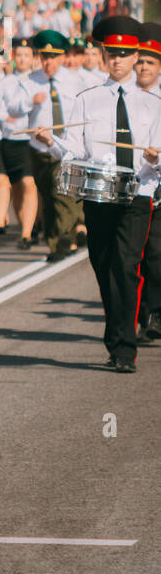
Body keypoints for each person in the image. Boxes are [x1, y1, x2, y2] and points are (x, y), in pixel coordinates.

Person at [37, 15, 160, 373]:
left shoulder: (153, 104)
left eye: (125, 54)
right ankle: (117, 332)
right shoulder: (88, 99)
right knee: (105, 267)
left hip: (138, 192)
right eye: (112, 54)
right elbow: (75, 150)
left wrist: (154, 157)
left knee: (126, 266)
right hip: (97, 194)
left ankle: (124, 347)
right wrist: (51, 142)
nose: (118, 60)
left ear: (136, 56)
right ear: (104, 56)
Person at [16, 30, 83, 262]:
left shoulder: (75, 81)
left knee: (62, 194)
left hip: (65, 148)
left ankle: (61, 240)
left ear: (62, 57)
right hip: (39, 150)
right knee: (47, 196)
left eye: (52, 58)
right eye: (43, 57)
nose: (47, 62)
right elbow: (13, 109)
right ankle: (58, 238)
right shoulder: (30, 81)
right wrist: (29, 102)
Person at [131, 22, 161, 339]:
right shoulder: (120, 96)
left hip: (159, 183)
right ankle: (139, 313)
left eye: (150, 62)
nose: (143, 67)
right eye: (139, 61)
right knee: (131, 256)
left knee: (156, 255)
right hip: (131, 187)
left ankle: (155, 313)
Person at [0, 38, 39, 248]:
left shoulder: (39, 80)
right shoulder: (6, 81)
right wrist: (5, 117)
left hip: (31, 140)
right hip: (11, 139)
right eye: (19, 55)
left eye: (26, 55)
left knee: (29, 183)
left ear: (33, 58)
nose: (22, 59)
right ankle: (27, 225)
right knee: (17, 187)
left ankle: (26, 233)